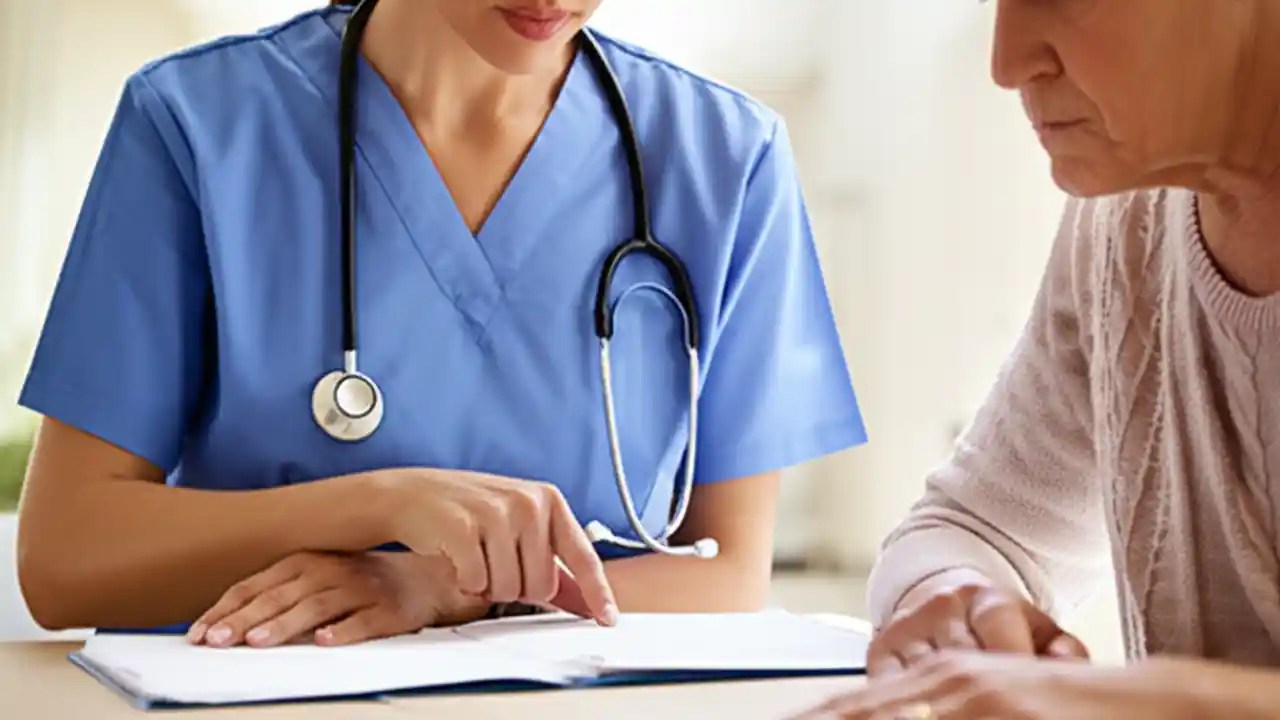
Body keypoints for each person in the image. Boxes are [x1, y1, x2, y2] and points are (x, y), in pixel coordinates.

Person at [15, 0, 866, 649]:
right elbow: (66, 561)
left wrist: (450, 588)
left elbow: (728, 574)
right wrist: (378, 504)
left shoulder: (725, 157)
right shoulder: (202, 124)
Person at [795, 1, 1280, 718]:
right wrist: (958, 599)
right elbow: (977, 525)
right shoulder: (1124, 221)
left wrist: (1148, 700)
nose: (1006, 63)